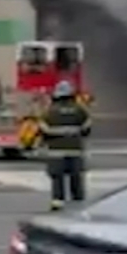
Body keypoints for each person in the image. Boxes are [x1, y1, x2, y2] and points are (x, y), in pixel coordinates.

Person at [38, 80, 91, 210]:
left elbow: (43, 129)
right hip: (75, 150)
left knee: (57, 178)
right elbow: (87, 128)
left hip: (56, 151)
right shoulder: (79, 110)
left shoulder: (50, 111)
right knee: (76, 177)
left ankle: (57, 202)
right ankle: (78, 202)